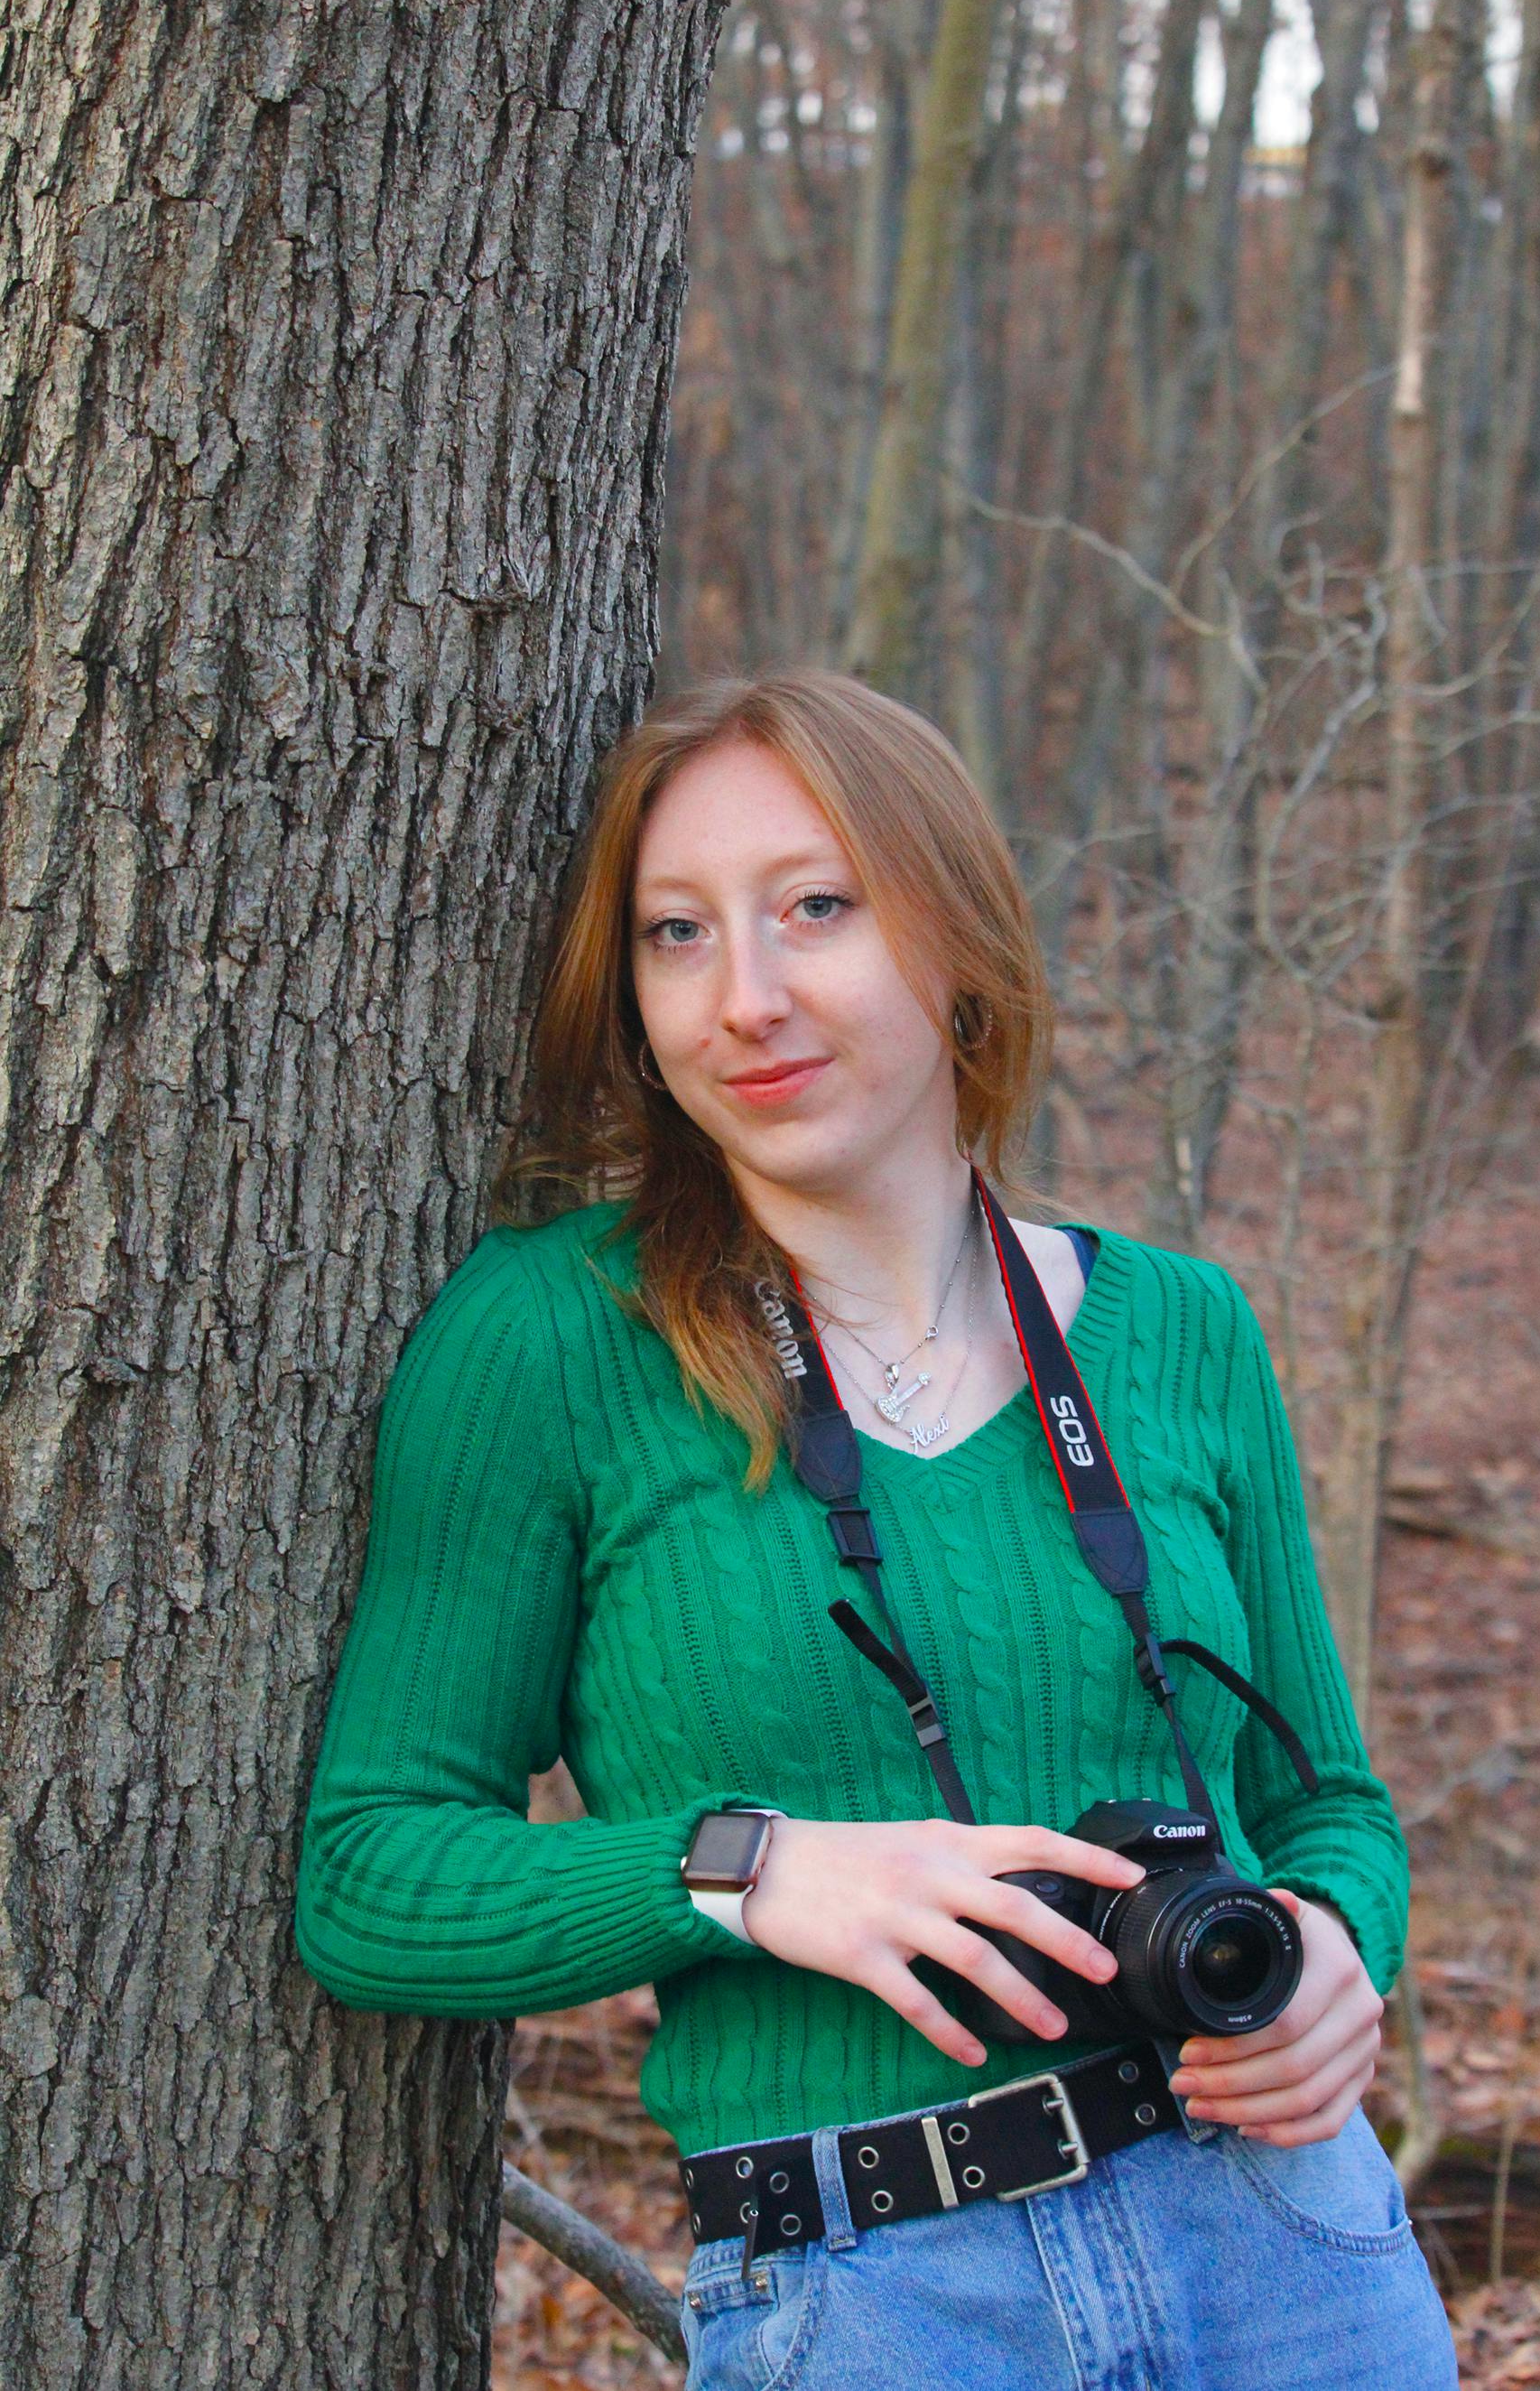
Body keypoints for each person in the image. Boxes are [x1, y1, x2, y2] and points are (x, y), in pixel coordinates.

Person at [293, 668, 1460, 2389]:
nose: (746, 998)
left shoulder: (1180, 1329)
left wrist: (1341, 1959)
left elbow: (1327, 1806)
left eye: (816, 910)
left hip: (1288, 2249)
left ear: (959, 941)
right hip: (873, 2298)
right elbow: (369, 1873)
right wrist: (757, 1872)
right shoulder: (549, 1341)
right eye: (676, 936)